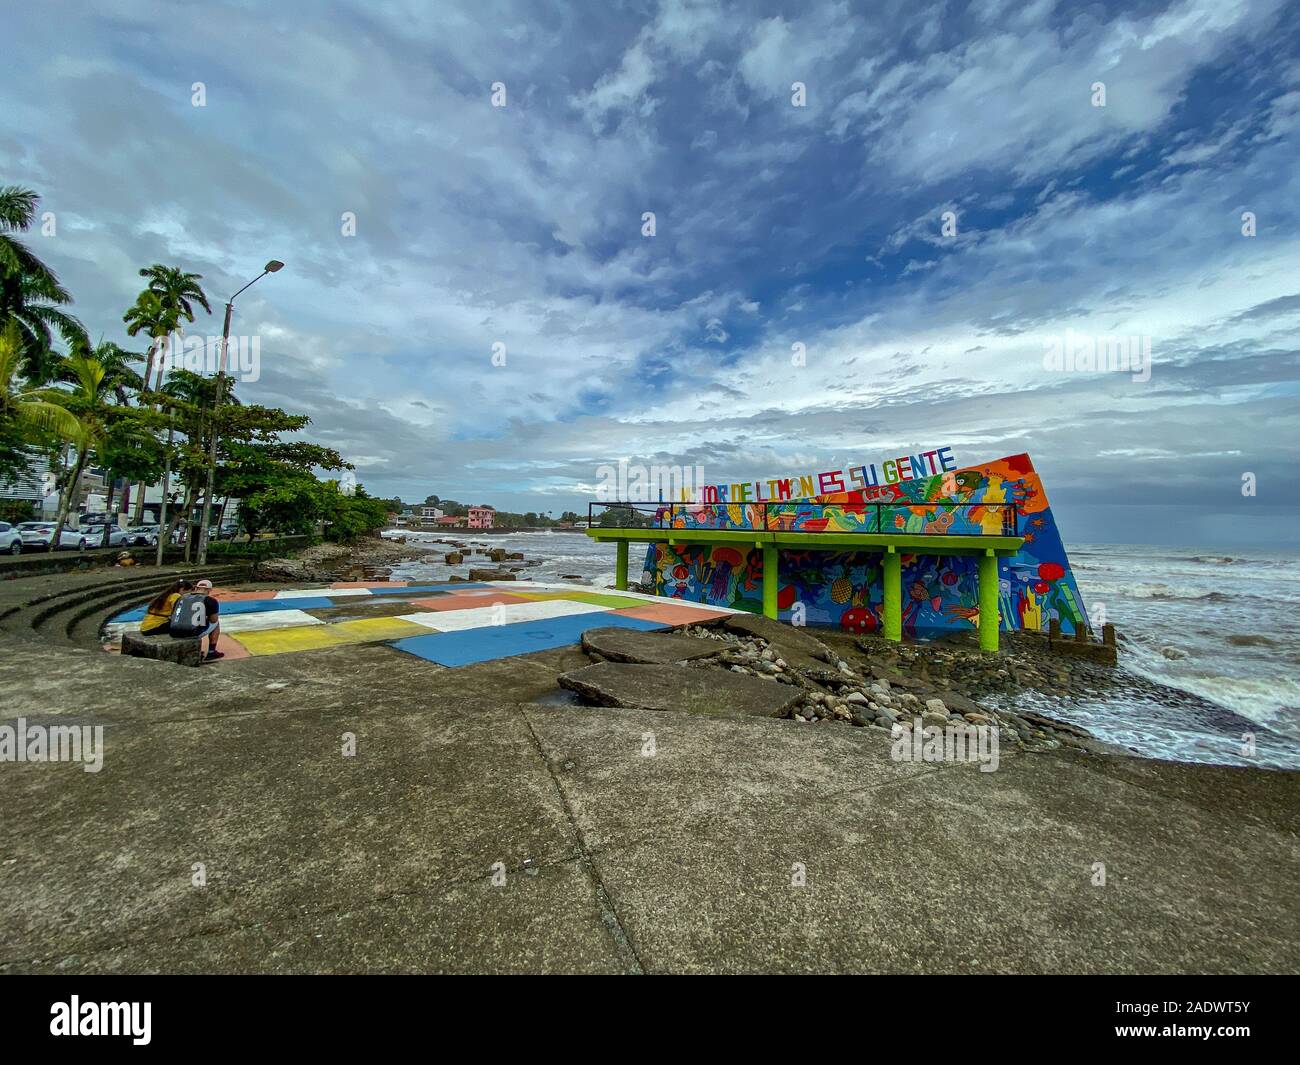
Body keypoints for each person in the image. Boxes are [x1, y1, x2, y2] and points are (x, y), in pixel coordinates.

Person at [194, 578, 223, 661]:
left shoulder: (183, 598)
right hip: (193, 631)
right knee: (216, 623)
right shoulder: (211, 601)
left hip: (176, 629)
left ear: (196, 588)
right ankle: (211, 651)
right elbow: (213, 620)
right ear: (210, 590)